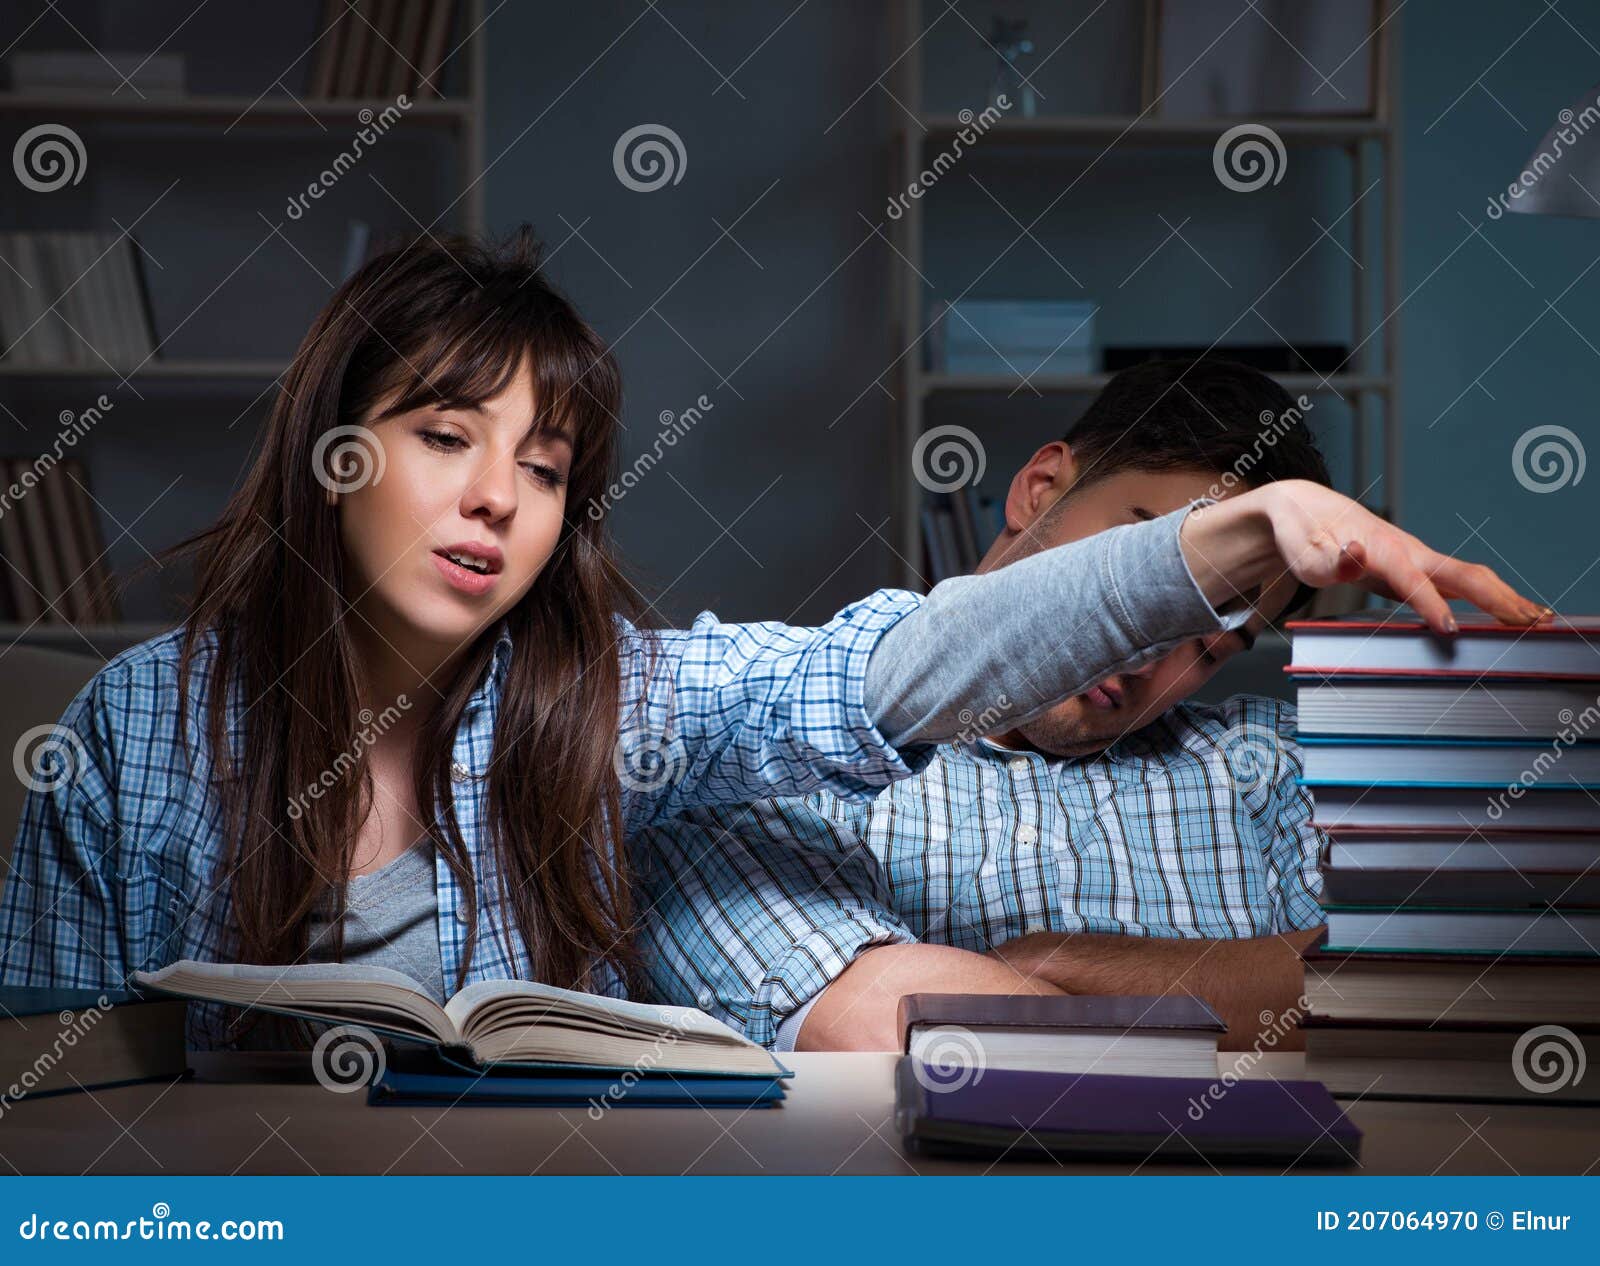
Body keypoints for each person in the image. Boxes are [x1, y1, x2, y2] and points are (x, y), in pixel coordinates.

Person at [0, 229, 1541, 1051]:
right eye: (445, 435)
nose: (492, 498)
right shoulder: (140, 731)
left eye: (543, 469)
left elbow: (883, 667)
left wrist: (1239, 537)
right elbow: (42, 1083)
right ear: (335, 448)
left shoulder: (614, 705)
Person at [635, 359, 1538, 1052]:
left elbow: (1439, 995)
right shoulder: (778, 750)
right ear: (1040, 489)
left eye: (1207, 643)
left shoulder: (1273, 765)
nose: (1154, 651)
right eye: (1153, 570)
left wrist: (1059, 966)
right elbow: (895, 1033)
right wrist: (1244, 987)